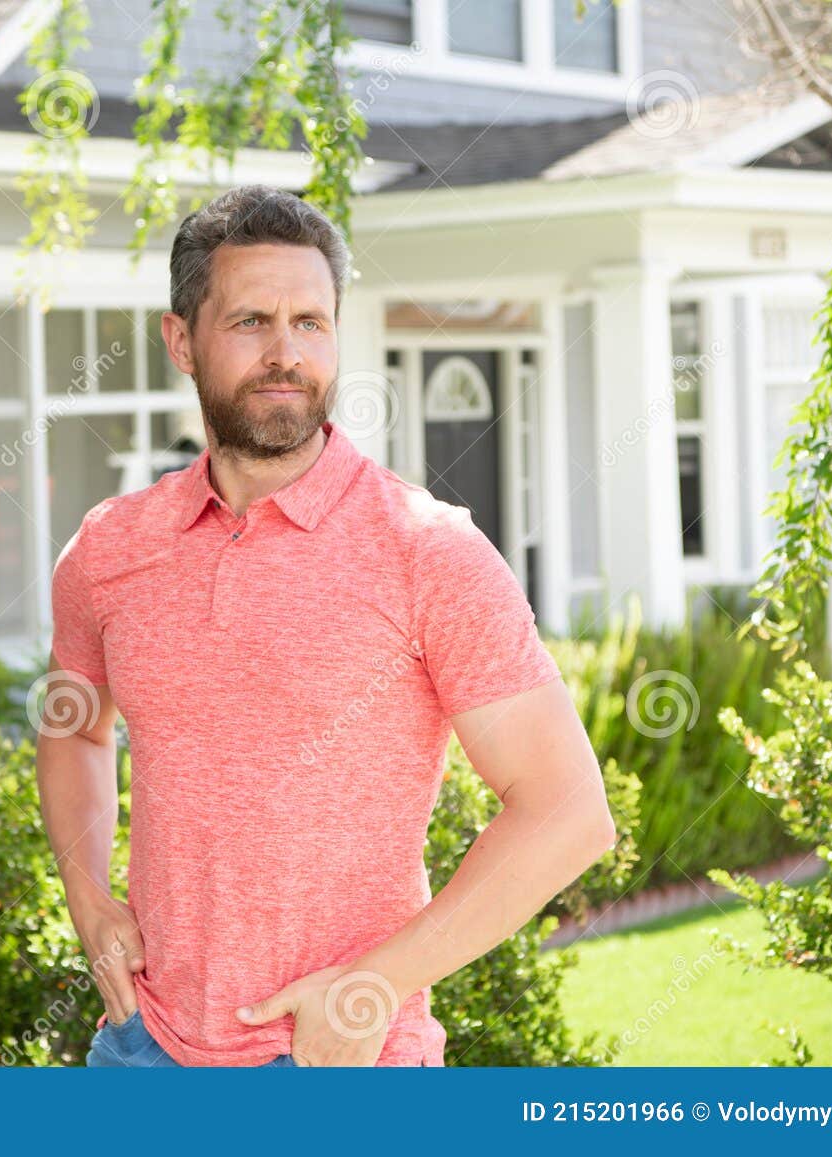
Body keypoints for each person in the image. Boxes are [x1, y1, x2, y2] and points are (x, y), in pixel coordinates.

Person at [34, 183, 616, 1067]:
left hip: (342, 1065)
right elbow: (73, 725)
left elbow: (568, 809)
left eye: (311, 321)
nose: (285, 353)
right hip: (142, 1051)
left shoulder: (427, 550)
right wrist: (88, 893)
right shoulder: (111, 550)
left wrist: (376, 984)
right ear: (180, 340)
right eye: (250, 321)